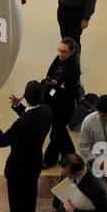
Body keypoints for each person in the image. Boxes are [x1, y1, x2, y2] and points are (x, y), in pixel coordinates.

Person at [0, 81, 53, 212]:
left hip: (17, 167)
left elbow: (2, 141)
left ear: (25, 97)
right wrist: (18, 106)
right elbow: (33, 113)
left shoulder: (21, 124)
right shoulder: (47, 111)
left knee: (16, 199)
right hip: (35, 162)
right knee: (30, 197)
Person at [42, 37, 81, 169]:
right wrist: (56, 85)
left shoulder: (74, 68)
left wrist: (55, 86)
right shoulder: (57, 59)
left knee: (56, 133)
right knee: (60, 132)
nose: (60, 54)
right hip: (53, 102)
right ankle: (69, 155)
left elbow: (65, 90)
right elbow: (49, 77)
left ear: (71, 52)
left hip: (64, 106)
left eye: (64, 51)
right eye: (59, 50)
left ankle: (50, 159)